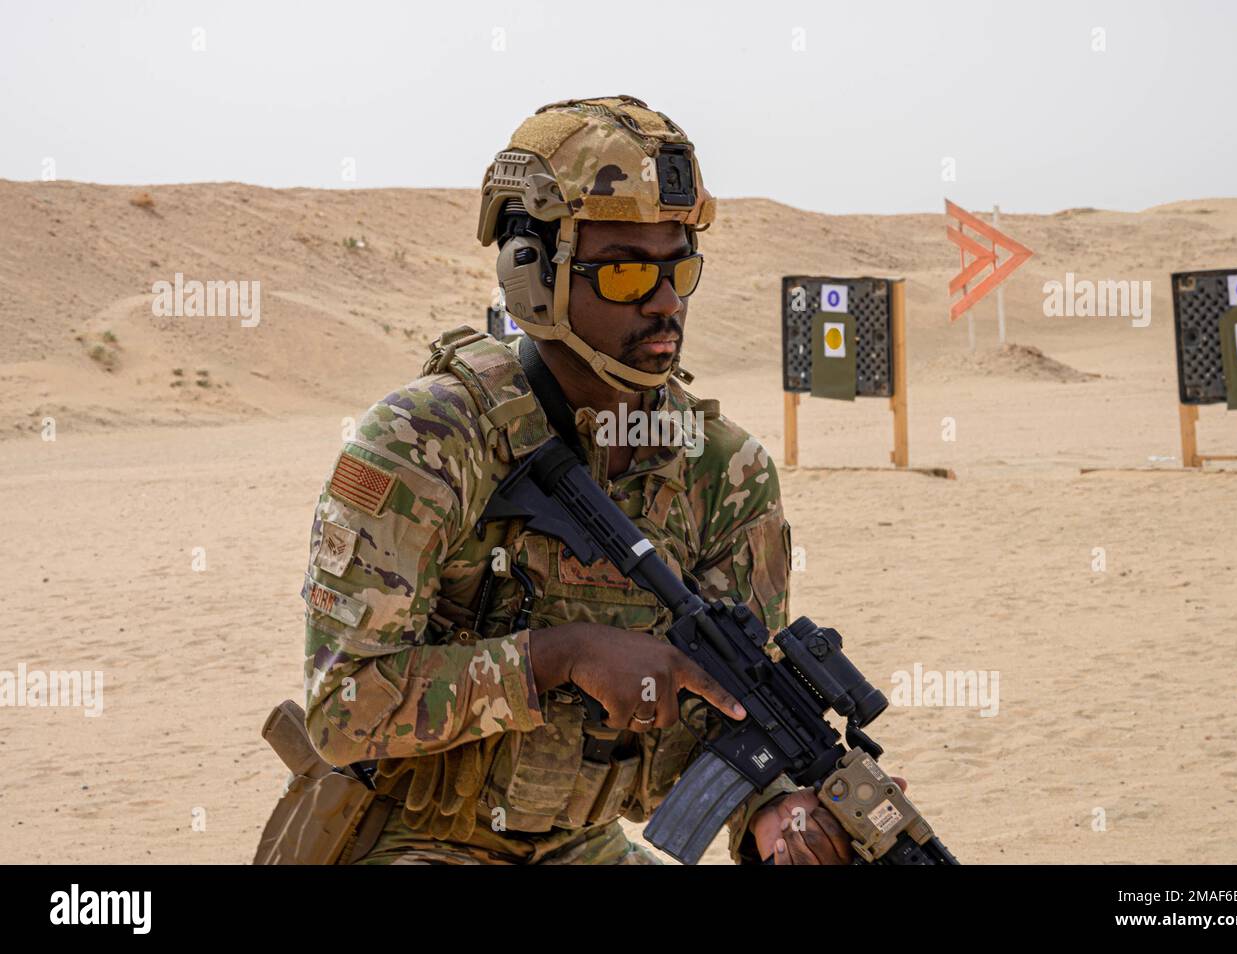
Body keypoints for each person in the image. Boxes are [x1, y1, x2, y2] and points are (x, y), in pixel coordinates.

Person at [300, 95, 889, 864]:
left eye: (679, 268)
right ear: (532, 272)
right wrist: (560, 654)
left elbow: (735, 716)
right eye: (622, 275)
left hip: (585, 845)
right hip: (418, 838)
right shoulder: (427, 442)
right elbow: (344, 710)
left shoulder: (724, 472)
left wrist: (777, 812)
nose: (664, 303)